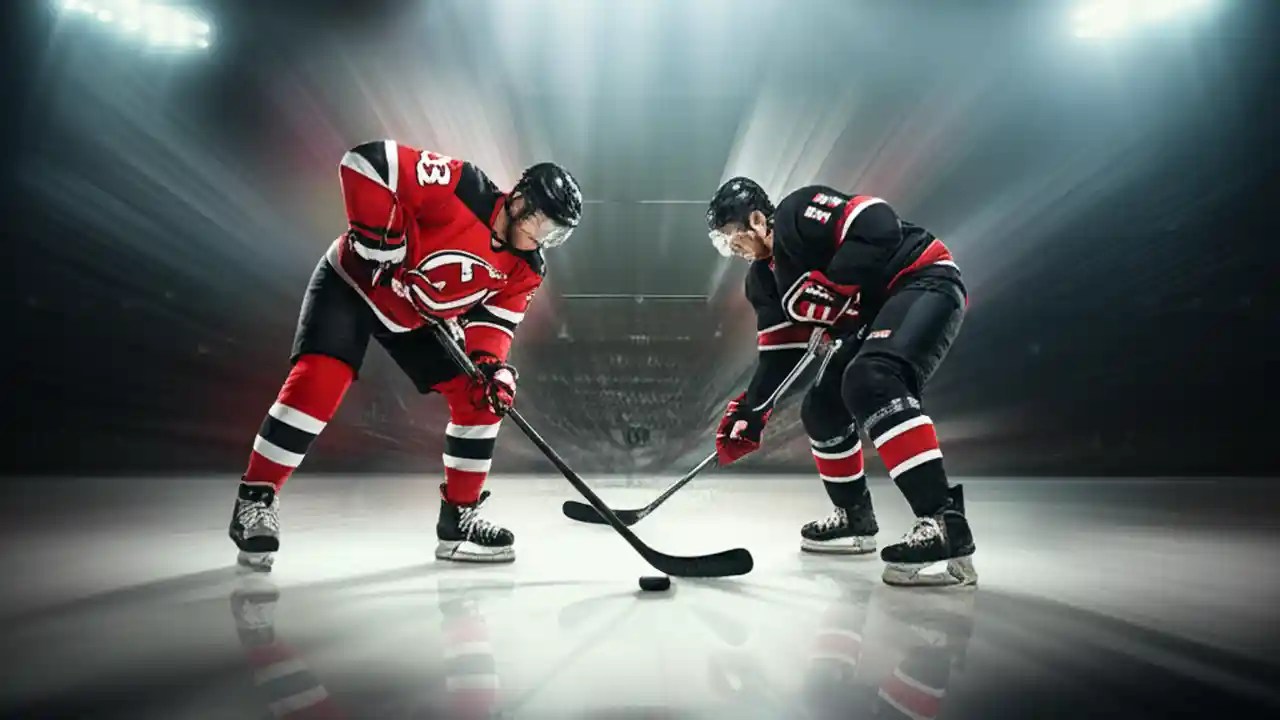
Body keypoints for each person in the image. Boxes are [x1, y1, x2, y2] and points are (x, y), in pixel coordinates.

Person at [228, 139, 582, 570]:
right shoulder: (461, 185)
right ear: (520, 199)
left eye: (555, 233)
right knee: (319, 383)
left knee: (481, 400)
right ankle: (256, 498)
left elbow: (494, 326)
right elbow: (364, 162)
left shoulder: (527, 268)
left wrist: (492, 370)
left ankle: (459, 521)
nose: (543, 239)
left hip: (418, 316)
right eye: (542, 224)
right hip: (355, 286)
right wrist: (381, 240)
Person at [706, 178, 975, 586]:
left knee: (871, 378)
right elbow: (780, 356)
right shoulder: (763, 282)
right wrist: (751, 412)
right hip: (873, 314)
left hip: (922, 280)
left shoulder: (798, 212)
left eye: (730, 237)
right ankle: (855, 518)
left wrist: (838, 284)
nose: (732, 250)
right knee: (822, 408)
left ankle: (944, 524)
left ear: (758, 220)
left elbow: (877, 220)